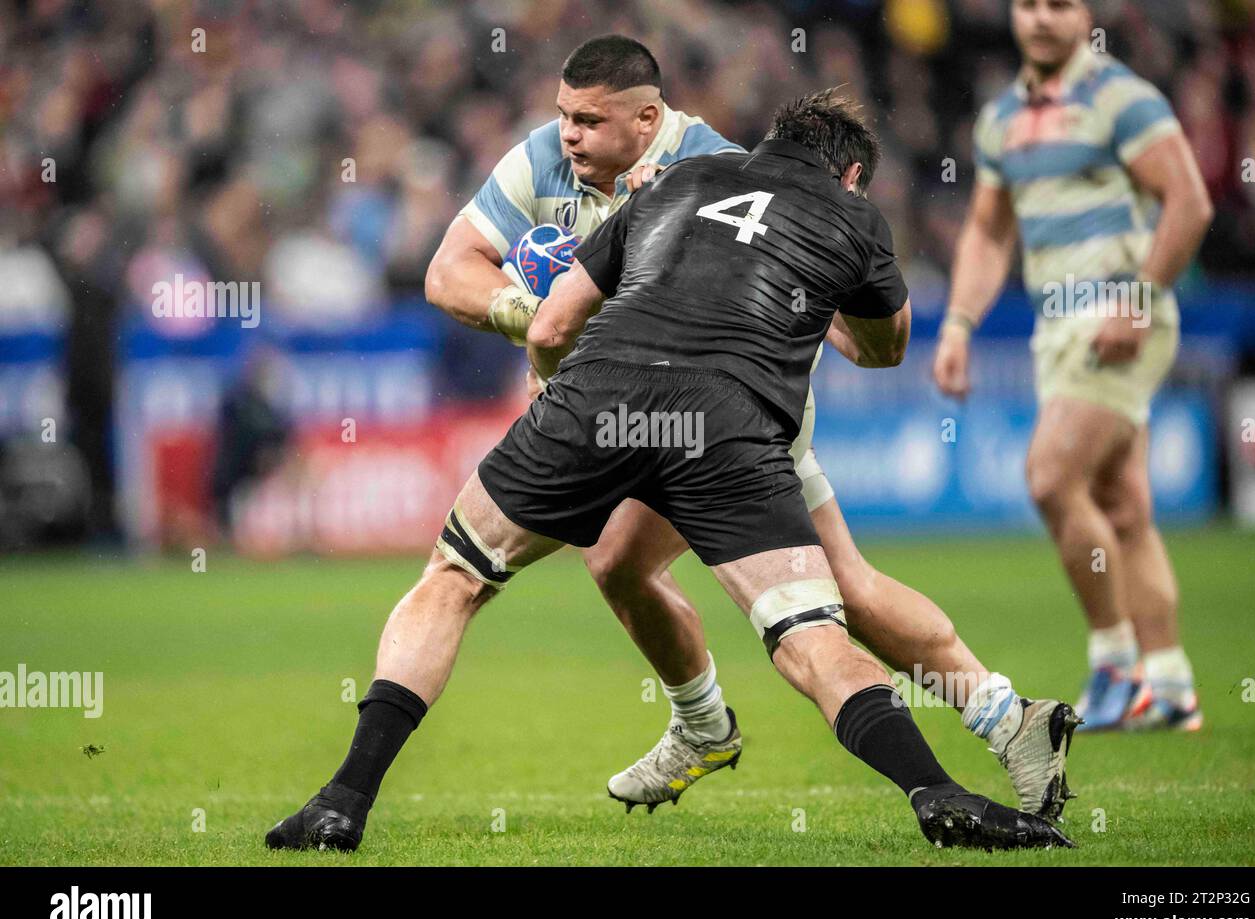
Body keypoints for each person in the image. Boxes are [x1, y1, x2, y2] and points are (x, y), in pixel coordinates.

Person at [267, 89, 1074, 853]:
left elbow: (550, 325)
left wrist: (553, 392)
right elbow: (885, 347)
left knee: (457, 575)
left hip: (605, 396)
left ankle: (344, 798)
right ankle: (933, 789)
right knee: (806, 627)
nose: (574, 135)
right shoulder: (853, 215)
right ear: (853, 173)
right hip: (732, 418)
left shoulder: (675, 179)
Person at [933, 0, 1213, 730]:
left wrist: (1140, 299)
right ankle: (1170, 684)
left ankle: (1116, 666)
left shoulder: (1119, 96)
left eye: (1058, 4)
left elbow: (1189, 202)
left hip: (1118, 317)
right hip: (1058, 326)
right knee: (1123, 506)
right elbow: (989, 233)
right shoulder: (1000, 118)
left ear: (1084, 13)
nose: (1040, 19)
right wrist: (959, 323)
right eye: (1028, 4)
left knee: (1050, 476)